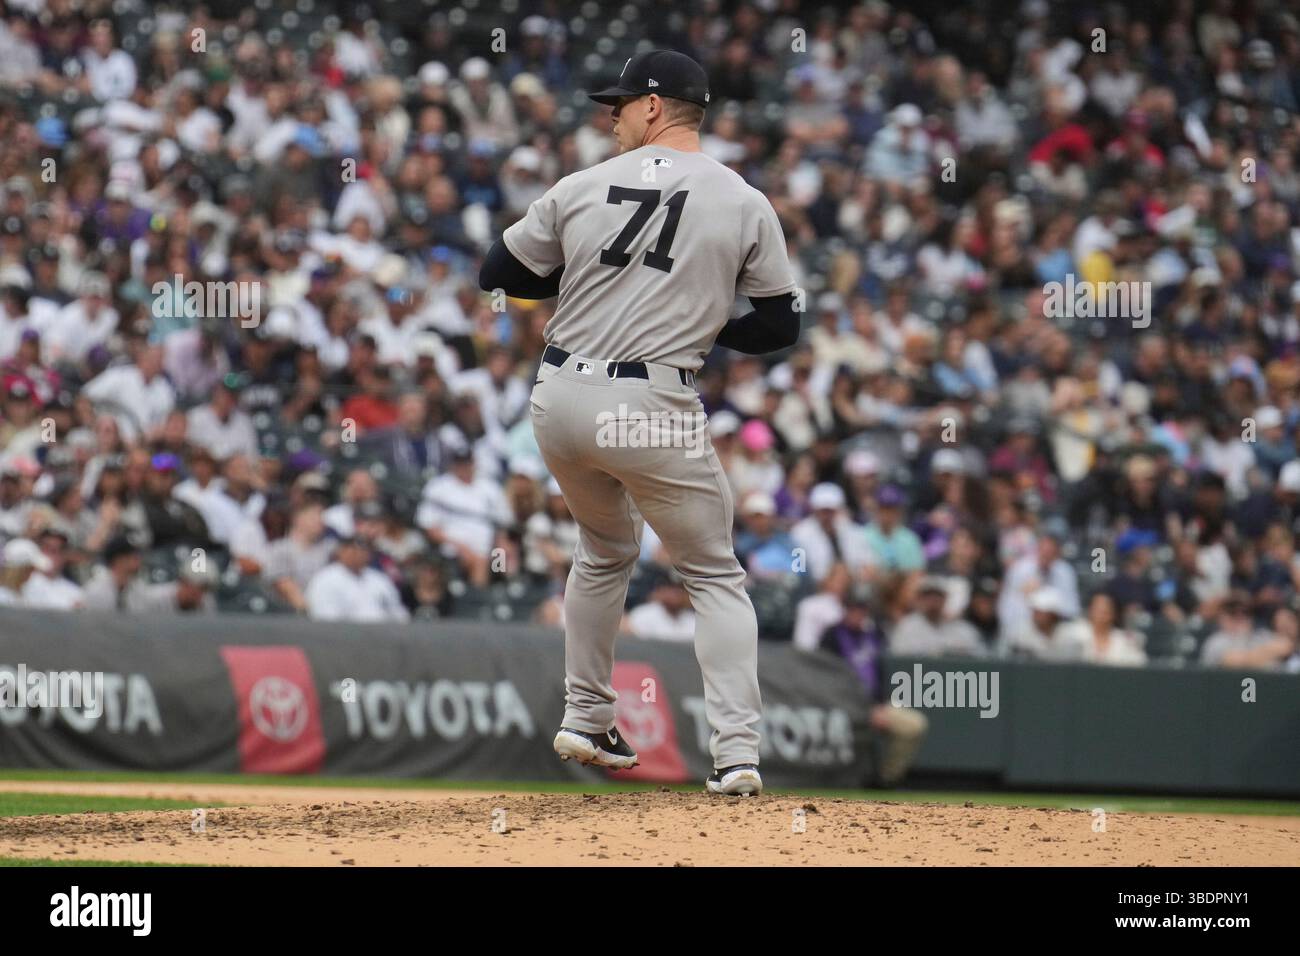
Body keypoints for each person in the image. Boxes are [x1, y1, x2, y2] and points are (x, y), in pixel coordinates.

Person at [478, 50, 799, 797]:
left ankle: (586, 715)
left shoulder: (583, 184)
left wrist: (586, 276)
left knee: (603, 548)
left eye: (620, 104)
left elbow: (497, 272)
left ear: (654, 107)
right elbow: (780, 324)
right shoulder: (743, 197)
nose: (611, 115)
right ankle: (737, 756)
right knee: (713, 575)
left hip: (559, 399)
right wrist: (705, 320)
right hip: (652, 403)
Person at [817, 583, 928, 786]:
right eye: (853, 608)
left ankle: (886, 780)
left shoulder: (875, 634)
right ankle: (833, 781)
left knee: (914, 725)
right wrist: (862, 709)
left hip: (875, 705)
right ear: (845, 608)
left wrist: (880, 705)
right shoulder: (831, 636)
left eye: (862, 609)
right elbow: (825, 680)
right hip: (840, 706)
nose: (858, 613)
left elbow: (882, 675)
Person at [304, 536, 410, 623]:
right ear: (341, 551)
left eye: (363, 550)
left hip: (384, 637)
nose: (359, 554)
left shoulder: (378, 579)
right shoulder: (326, 579)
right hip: (345, 639)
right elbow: (326, 618)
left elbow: (399, 613)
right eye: (354, 550)